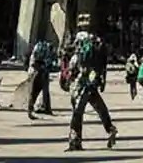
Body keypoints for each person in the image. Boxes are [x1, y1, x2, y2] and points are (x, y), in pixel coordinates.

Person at [66, 13, 118, 152]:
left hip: (80, 80)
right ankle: (110, 129)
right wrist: (102, 79)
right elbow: (103, 63)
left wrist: (68, 75)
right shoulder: (97, 40)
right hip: (92, 79)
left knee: (78, 110)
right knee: (99, 107)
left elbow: (73, 60)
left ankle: (74, 140)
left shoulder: (78, 39)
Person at [26, 36, 54, 119]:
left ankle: (36, 109)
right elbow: (47, 62)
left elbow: (32, 62)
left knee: (34, 92)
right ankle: (43, 108)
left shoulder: (37, 48)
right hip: (40, 72)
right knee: (39, 91)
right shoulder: (46, 49)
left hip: (35, 71)